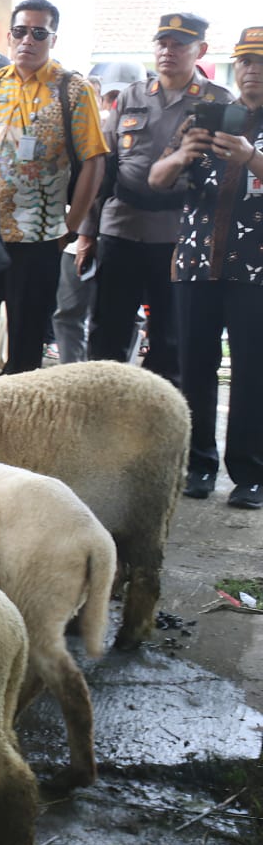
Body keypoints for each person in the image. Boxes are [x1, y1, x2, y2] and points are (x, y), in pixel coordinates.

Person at [149, 25, 263, 510]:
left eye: (260, 63)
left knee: (253, 371)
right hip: (195, 263)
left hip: (254, 268)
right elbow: (156, 179)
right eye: (246, 63)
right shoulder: (205, 116)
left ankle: (251, 474)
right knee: (193, 365)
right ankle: (198, 465)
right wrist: (182, 154)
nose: (252, 71)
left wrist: (251, 157)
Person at [80, 14, 230, 383]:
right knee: (106, 334)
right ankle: (100, 416)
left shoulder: (218, 101)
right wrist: (87, 232)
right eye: (162, 43)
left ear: (201, 50)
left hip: (178, 238)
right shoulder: (132, 95)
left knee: (168, 340)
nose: (168, 51)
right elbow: (105, 168)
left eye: (179, 44)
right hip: (121, 228)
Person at [0, 0, 108, 373]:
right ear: (9, 37)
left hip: (38, 237)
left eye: (39, 32)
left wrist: (71, 226)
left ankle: (18, 427)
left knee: (25, 346)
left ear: (53, 39)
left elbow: (93, 161)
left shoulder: (73, 90)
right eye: (20, 31)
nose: (28, 40)